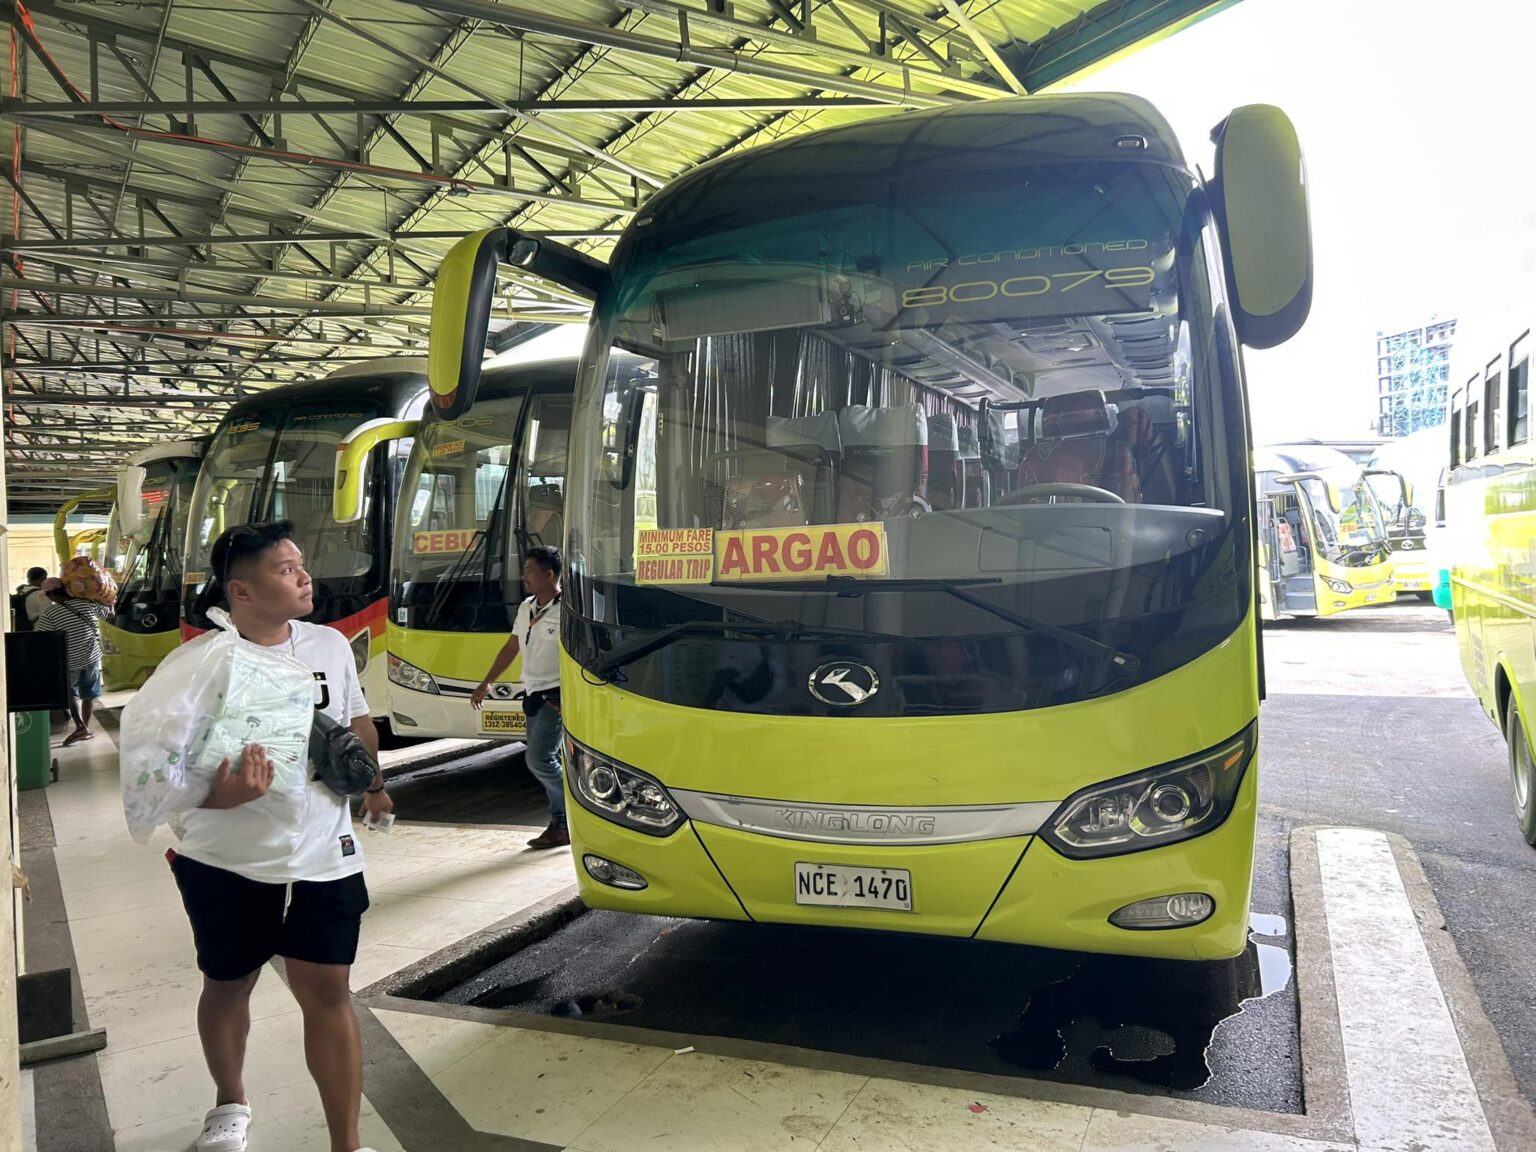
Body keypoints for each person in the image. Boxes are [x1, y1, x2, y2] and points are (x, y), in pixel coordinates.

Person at [139, 521, 390, 1152]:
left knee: (329, 990)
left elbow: (355, 718)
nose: (304, 577)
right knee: (228, 983)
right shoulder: (199, 666)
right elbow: (158, 770)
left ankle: (347, 1143)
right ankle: (230, 1102)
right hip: (226, 858)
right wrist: (222, 795)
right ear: (240, 591)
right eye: (285, 569)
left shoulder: (329, 645)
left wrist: (372, 782)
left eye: (301, 564)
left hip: (323, 854)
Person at [470, 546, 568, 849]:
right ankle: (564, 821)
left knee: (539, 759)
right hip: (533, 694)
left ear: (549, 574)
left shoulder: (567, 610)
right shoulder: (527, 607)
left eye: (529, 570)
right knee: (545, 759)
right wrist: (487, 682)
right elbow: (512, 647)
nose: (523, 575)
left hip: (557, 696)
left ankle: (571, 817)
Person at [36, 577, 110, 746]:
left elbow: (43, 637)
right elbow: (108, 614)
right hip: (91, 658)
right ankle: (86, 729)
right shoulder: (88, 604)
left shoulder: (51, 613)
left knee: (71, 695)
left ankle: (80, 726)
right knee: (89, 695)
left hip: (70, 662)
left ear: (51, 594)